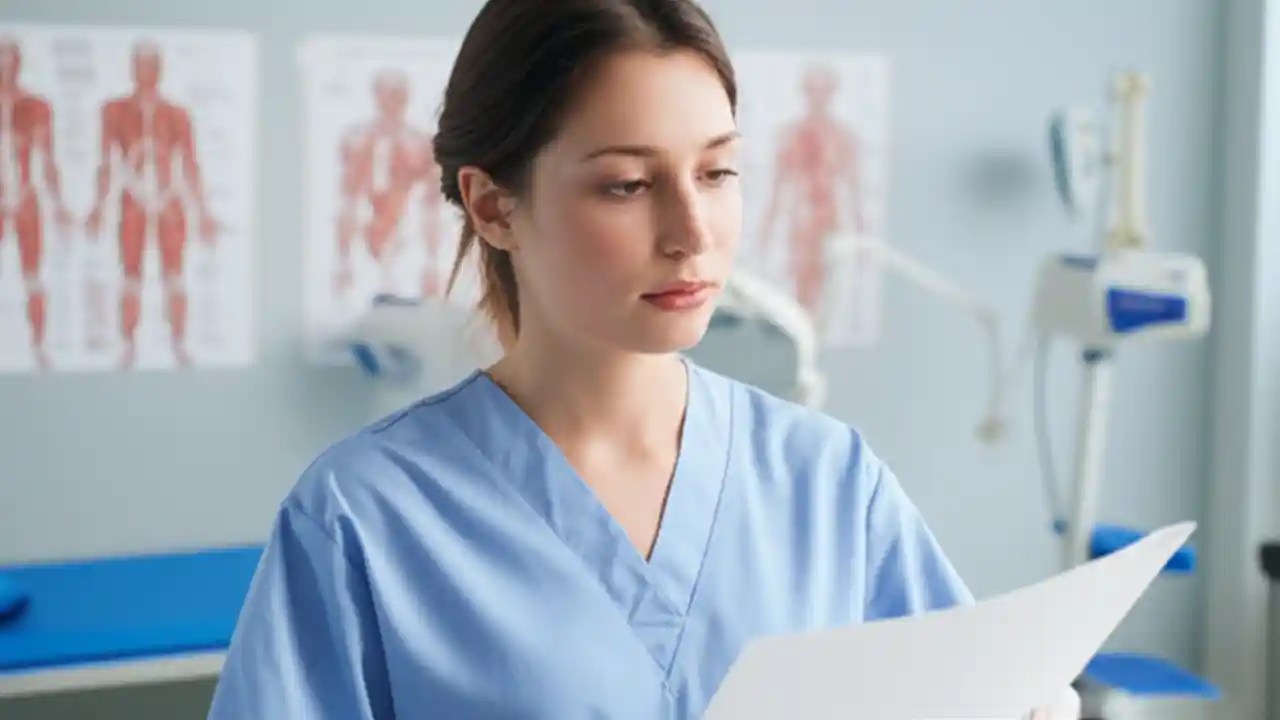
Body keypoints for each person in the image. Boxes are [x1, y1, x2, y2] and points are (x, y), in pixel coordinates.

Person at [208, 2, 1079, 718]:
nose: (691, 234)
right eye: (627, 184)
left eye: (718, 174)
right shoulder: (367, 517)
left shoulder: (829, 484)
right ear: (493, 206)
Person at [85, 41, 218, 369]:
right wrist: (98, 206)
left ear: (159, 70)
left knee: (174, 276)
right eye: (140, 65)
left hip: (169, 201)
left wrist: (203, 211)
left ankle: (179, 342)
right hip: (134, 200)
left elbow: (190, 164)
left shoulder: (176, 114)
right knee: (130, 275)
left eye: (151, 65)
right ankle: (128, 344)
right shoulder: (114, 111)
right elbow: (106, 162)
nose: (145, 72)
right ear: (133, 69)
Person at [0, 37, 73, 371]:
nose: (4, 67)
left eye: (9, 60)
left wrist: (58, 205)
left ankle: (38, 343)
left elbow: (47, 159)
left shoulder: (36, 106)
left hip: (27, 196)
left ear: (18, 63)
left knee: (33, 275)